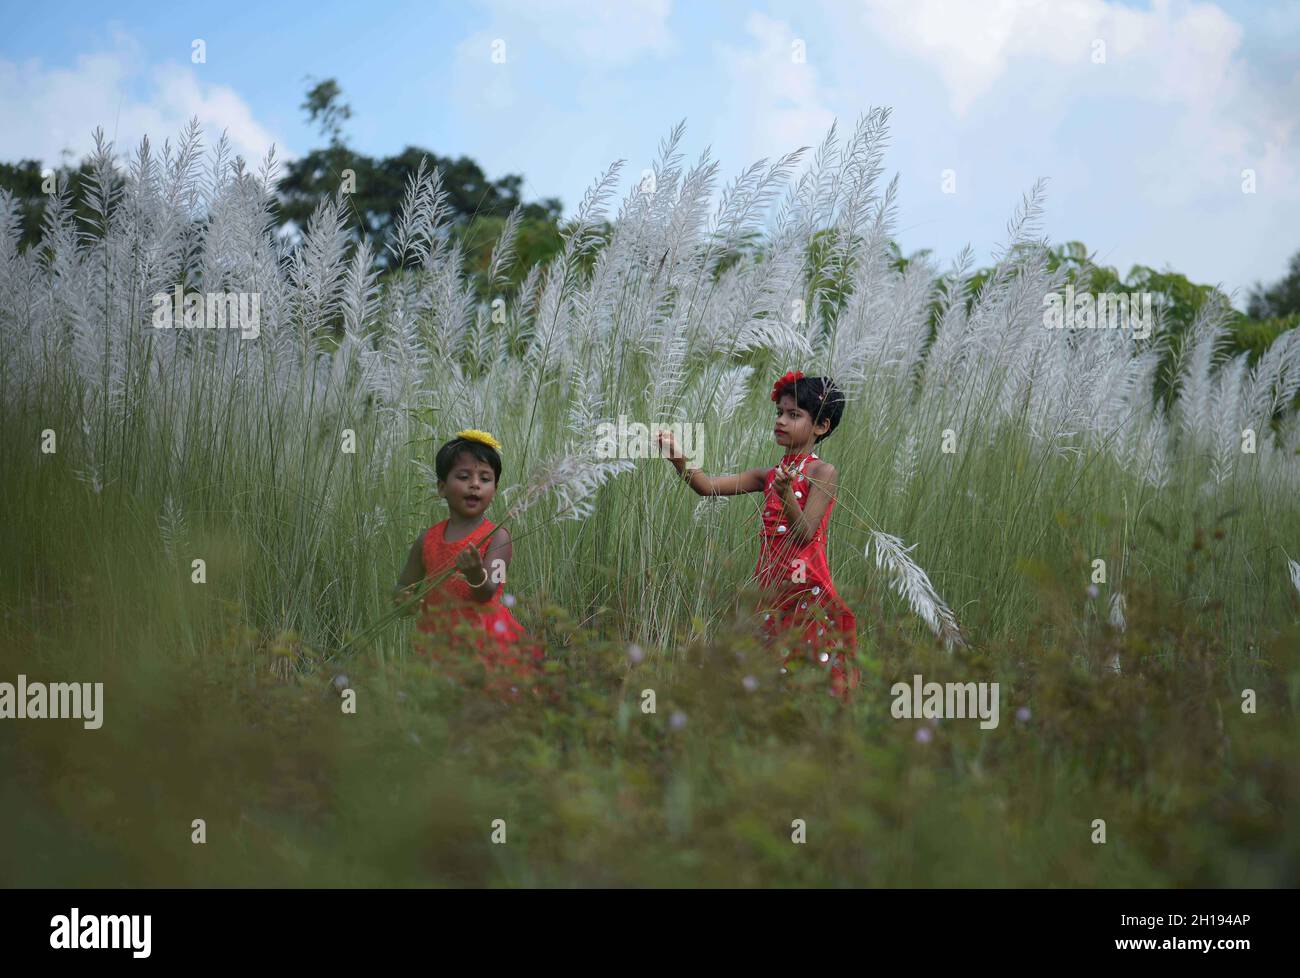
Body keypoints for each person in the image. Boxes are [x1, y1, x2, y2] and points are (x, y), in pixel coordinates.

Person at [657, 372, 860, 701]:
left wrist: (786, 495)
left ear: (821, 426)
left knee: (806, 665)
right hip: (769, 584)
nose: (781, 420)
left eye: (794, 414)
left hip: (805, 585)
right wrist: (677, 458)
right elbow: (706, 487)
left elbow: (804, 535)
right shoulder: (766, 476)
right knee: (767, 665)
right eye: (779, 412)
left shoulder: (823, 473)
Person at [393, 429, 543, 699]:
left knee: (486, 705)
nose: (475, 485)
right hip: (439, 642)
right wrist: (404, 600)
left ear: (494, 490)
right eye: (463, 477)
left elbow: (489, 591)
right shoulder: (427, 540)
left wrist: (474, 573)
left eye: (485, 479)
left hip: (485, 642)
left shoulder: (498, 538)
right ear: (442, 487)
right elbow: (405, 585)